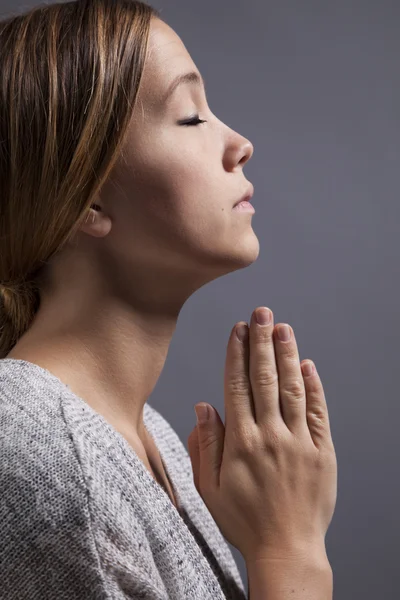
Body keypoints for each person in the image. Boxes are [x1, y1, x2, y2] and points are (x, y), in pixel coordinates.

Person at [0, 1, 336, 598]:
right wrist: (291, 550)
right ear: (88, 203)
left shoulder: (146, 438)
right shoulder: (43, 459)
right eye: (190, 117)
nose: (240, 144)